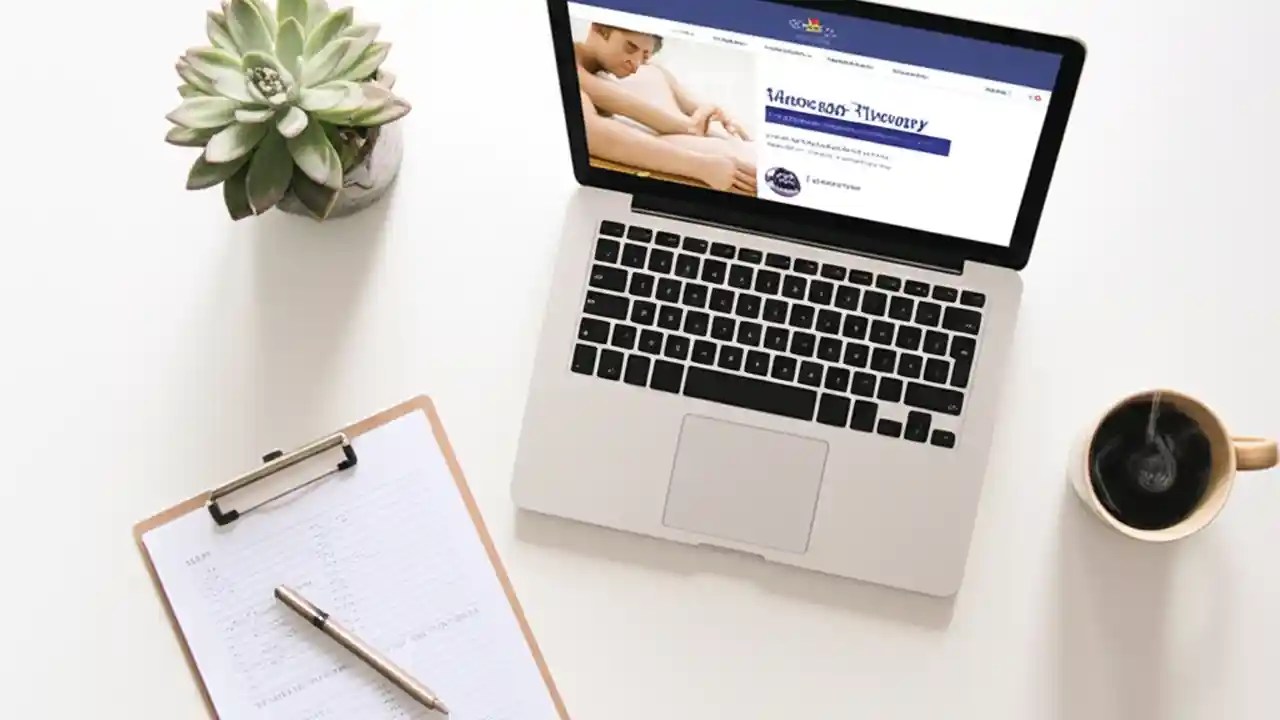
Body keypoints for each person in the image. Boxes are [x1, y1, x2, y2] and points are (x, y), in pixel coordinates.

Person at [574, 24, 757, 194]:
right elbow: (592, 130)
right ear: (598, 28)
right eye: (630, 47)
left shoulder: (652, 71)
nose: (636, 64)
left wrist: (719, 115)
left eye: (645, 56)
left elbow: (693, 105)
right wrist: (701, 165)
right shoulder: (568, 66)